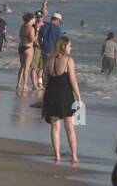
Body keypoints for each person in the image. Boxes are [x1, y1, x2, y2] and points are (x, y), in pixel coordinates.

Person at [41, 36, 81, 164]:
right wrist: (79, 97)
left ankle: (57, 155)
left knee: (55, 127)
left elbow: (45, 82)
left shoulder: (49, 60)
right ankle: (74, 156)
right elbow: (73, 80)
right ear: (64, 46)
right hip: (65, 95)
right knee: (70, 126)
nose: (71, 48)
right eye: (70, 45)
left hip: (51, 95)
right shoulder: (68, 60)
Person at [17, 13, 35, 92]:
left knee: (22, 66)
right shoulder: (31, 28)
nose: (35, 20)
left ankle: (18, 83)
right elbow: (32, 39)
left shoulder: (22, 26)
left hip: (21, 46)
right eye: (34, 18)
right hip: (28, 47)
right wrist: (37, 34)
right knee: (27, 67)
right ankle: (24, 85)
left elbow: (20, 36)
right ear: (31, 19)